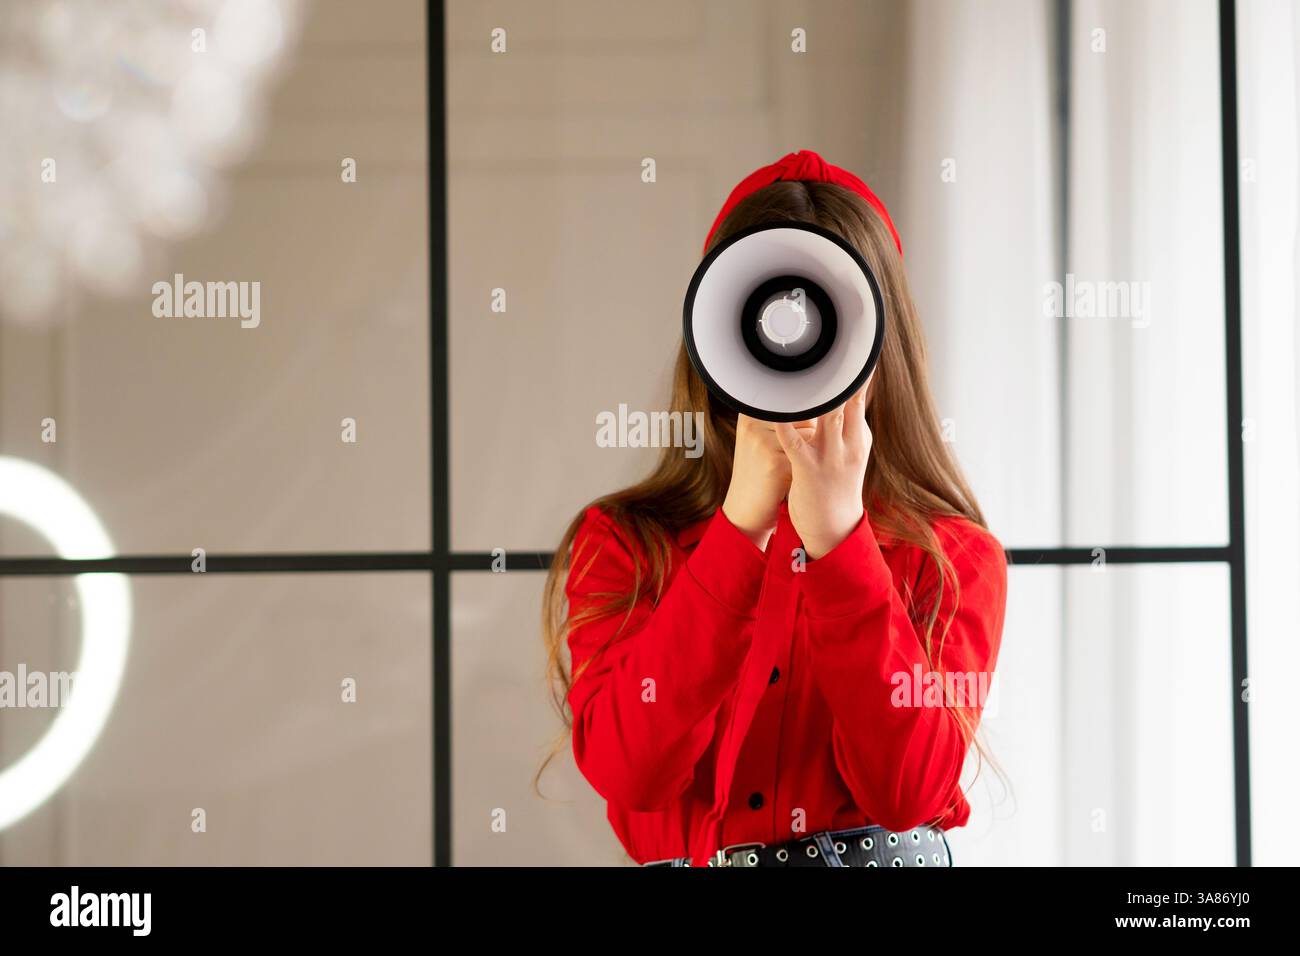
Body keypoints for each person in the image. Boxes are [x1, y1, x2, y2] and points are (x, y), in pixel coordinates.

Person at [541, 150, 1008, 867]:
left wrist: (841, 547)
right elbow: (629, 773)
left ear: (883, 346)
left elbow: (910, 790)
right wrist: (736, 534)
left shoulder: (950, 556)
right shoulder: (627, 545)